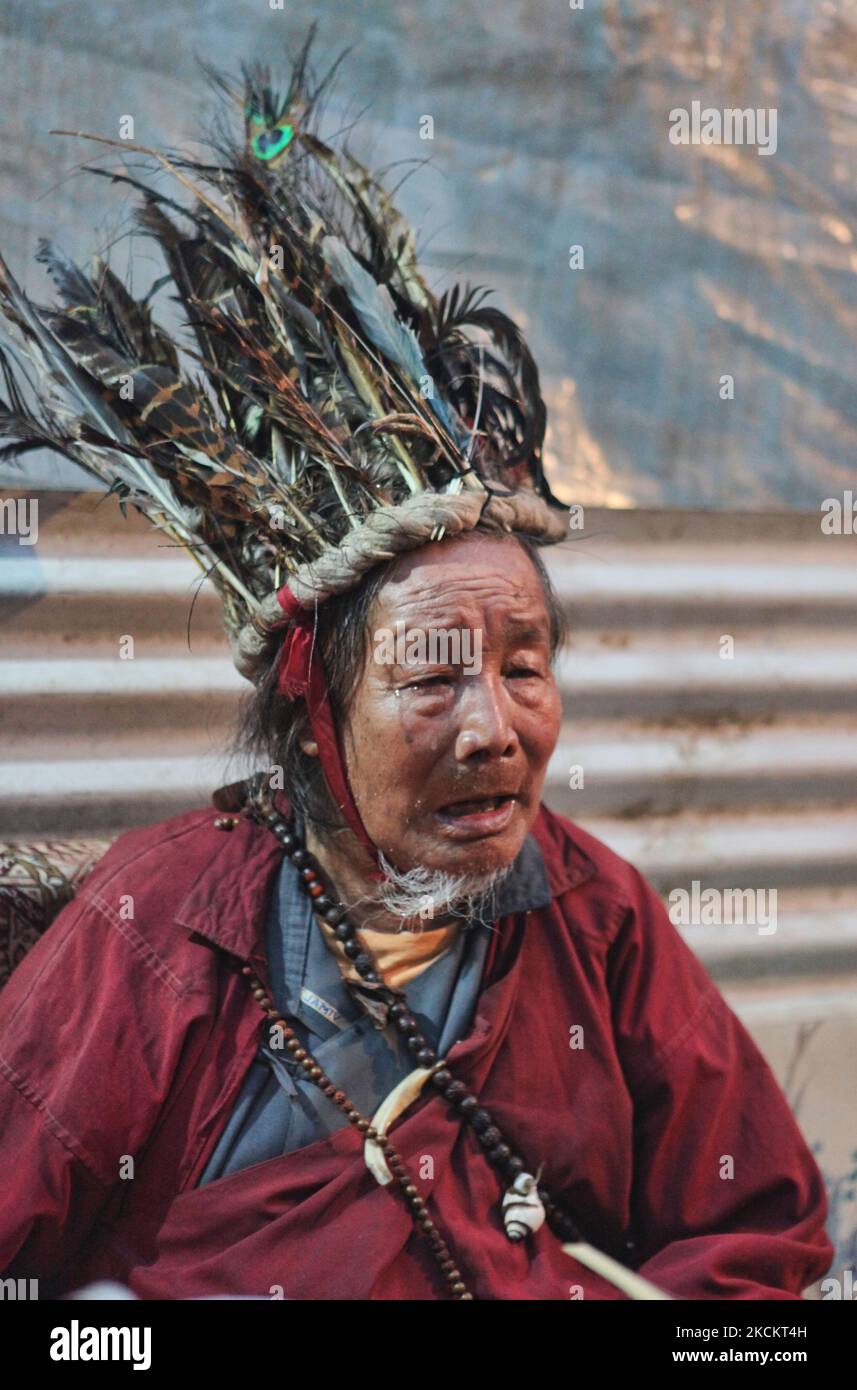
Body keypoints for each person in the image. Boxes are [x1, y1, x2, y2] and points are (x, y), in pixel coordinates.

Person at [0, 34, 833, 1301]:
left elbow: (758, 1241)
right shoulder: (163, 926)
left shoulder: (590, 914)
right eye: (432, 675)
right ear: (314, 708)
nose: (495, 727)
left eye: (523, 666)